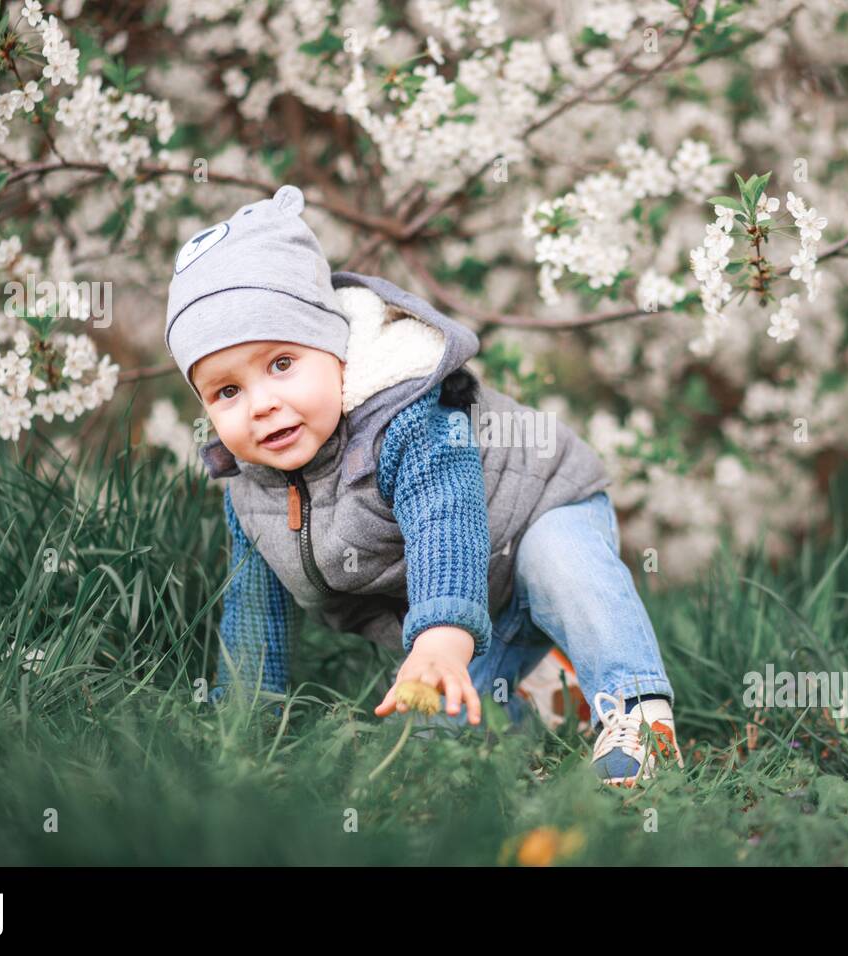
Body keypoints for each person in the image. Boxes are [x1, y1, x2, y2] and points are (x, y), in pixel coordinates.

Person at [163, 184, 683, 786]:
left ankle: (637, 711)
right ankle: (546, 686)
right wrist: (242, 732)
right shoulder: (251, 490)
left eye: (282, 364)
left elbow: (447, 519)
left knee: (561, 565)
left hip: (537, 511)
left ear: (335, 348)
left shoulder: (406, 420)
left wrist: (440, 634)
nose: (262, 405)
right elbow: (256, 612)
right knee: (427, 759)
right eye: (228, 391)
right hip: (477, 601)